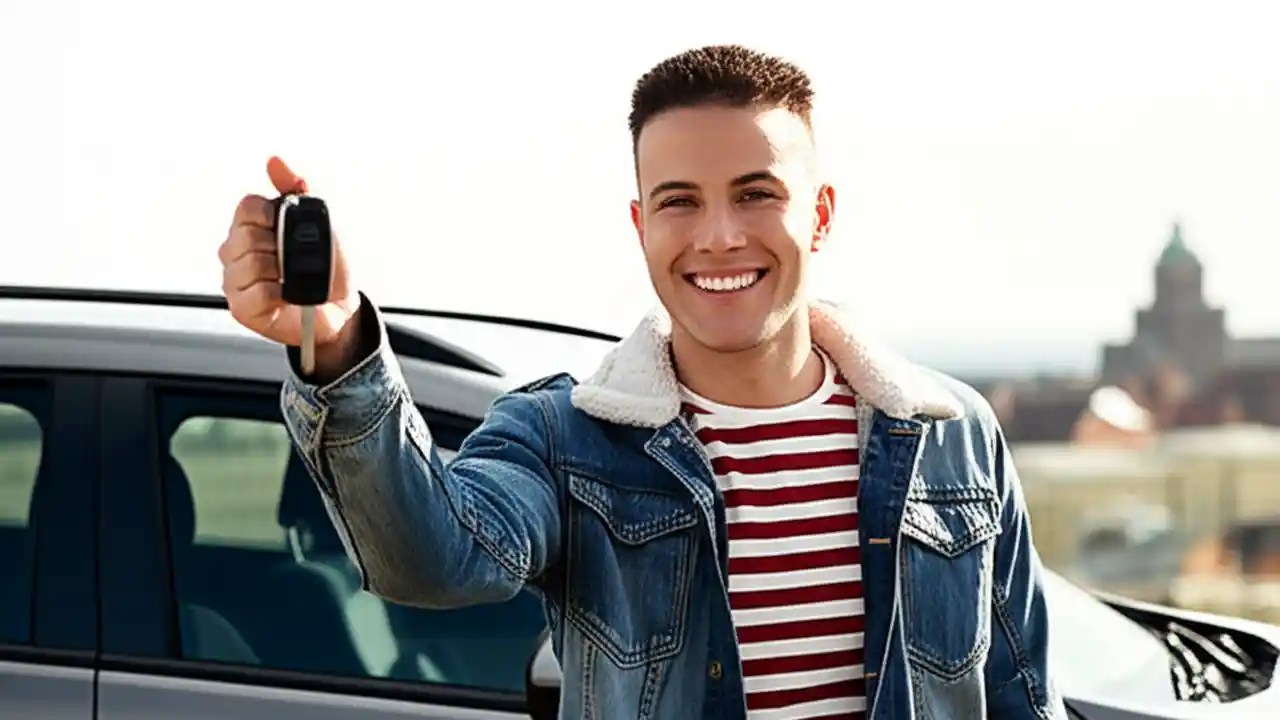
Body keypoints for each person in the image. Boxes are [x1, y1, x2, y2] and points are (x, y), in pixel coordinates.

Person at [219, 44, 1066, 720]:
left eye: (755, 193)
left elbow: (1023, 699)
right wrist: (340, 346)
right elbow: (430, 561)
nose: (719, 236)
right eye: (679, 201)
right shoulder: (566, 439)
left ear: (820, 215)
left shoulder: (952, 439)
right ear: (641, 225)